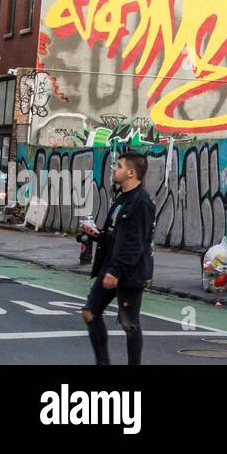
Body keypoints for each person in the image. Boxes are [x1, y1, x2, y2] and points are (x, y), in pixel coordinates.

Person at [79, 152, 155, 366]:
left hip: (128, 272)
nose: (114, 168)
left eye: (119, 166)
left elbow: (136, 242)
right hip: (110, 267)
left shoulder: (141, 202)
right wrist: (97, 234)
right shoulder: (121, 198)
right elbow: (116, 234)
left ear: (131, 172)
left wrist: (117, 271)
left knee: (129, 324)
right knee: (90, 312)